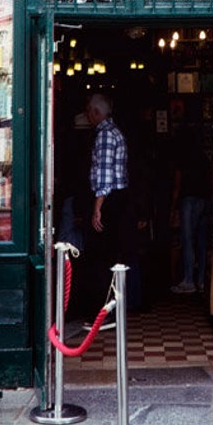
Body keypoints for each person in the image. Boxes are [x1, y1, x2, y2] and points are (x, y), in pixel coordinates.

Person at [86, 92, 132, 311]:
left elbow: (104, 174)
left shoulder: (104, 135)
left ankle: (103, 308)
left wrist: (97, 207)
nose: (88, 116)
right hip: (119, 198)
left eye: (89, 111)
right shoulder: (116, 132)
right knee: (115, 252)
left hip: (109, 201)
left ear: (96, 112)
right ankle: (114, 306)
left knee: (103, 255)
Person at [170, 127, 212, 294]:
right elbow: (210, 178)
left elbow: (177, 186)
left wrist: (173, 208)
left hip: (189, 201)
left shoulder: (182, 158)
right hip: (204, 200)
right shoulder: (203, 157)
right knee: (201, 241)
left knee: (187, 240)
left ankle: (188, 280)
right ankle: (201, 280)